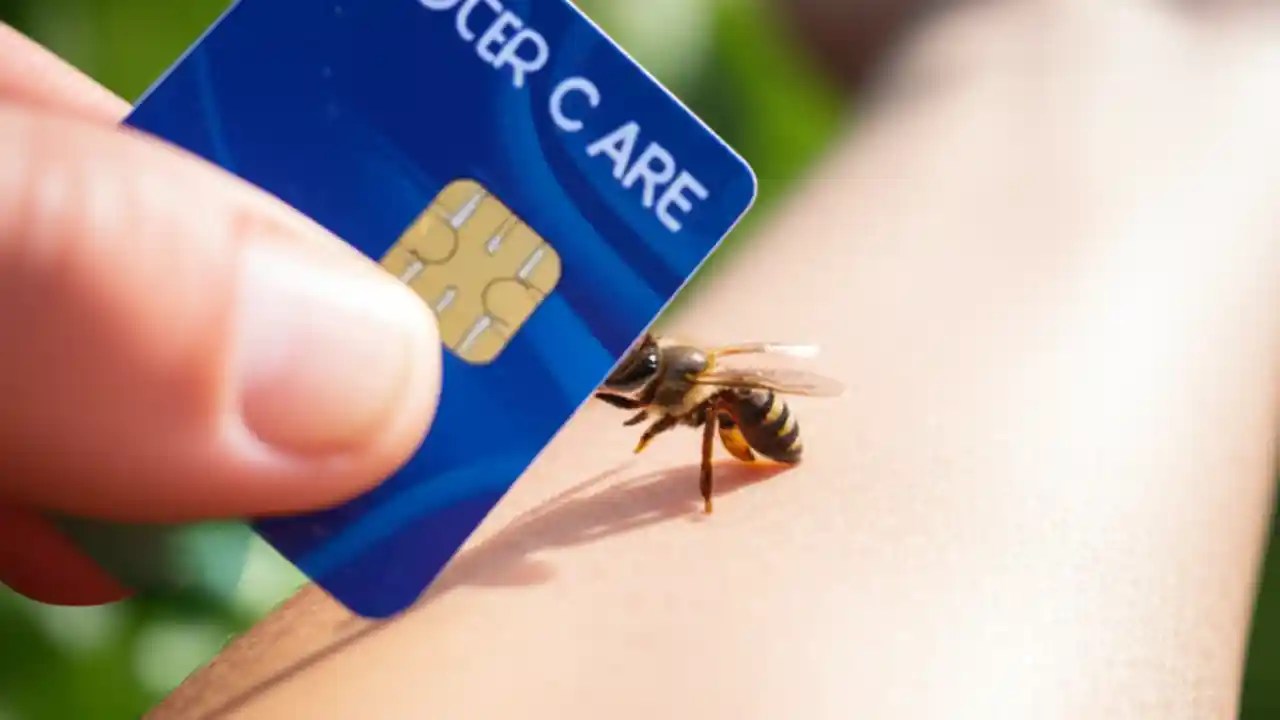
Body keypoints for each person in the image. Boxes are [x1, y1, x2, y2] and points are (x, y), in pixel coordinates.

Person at [4, 0, 1279, 716]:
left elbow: (707, 404)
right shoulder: (670, 384)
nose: (636, 389)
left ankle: (1119, 54)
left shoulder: (702, 404)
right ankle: (1140, 54)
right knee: (1167, 91)